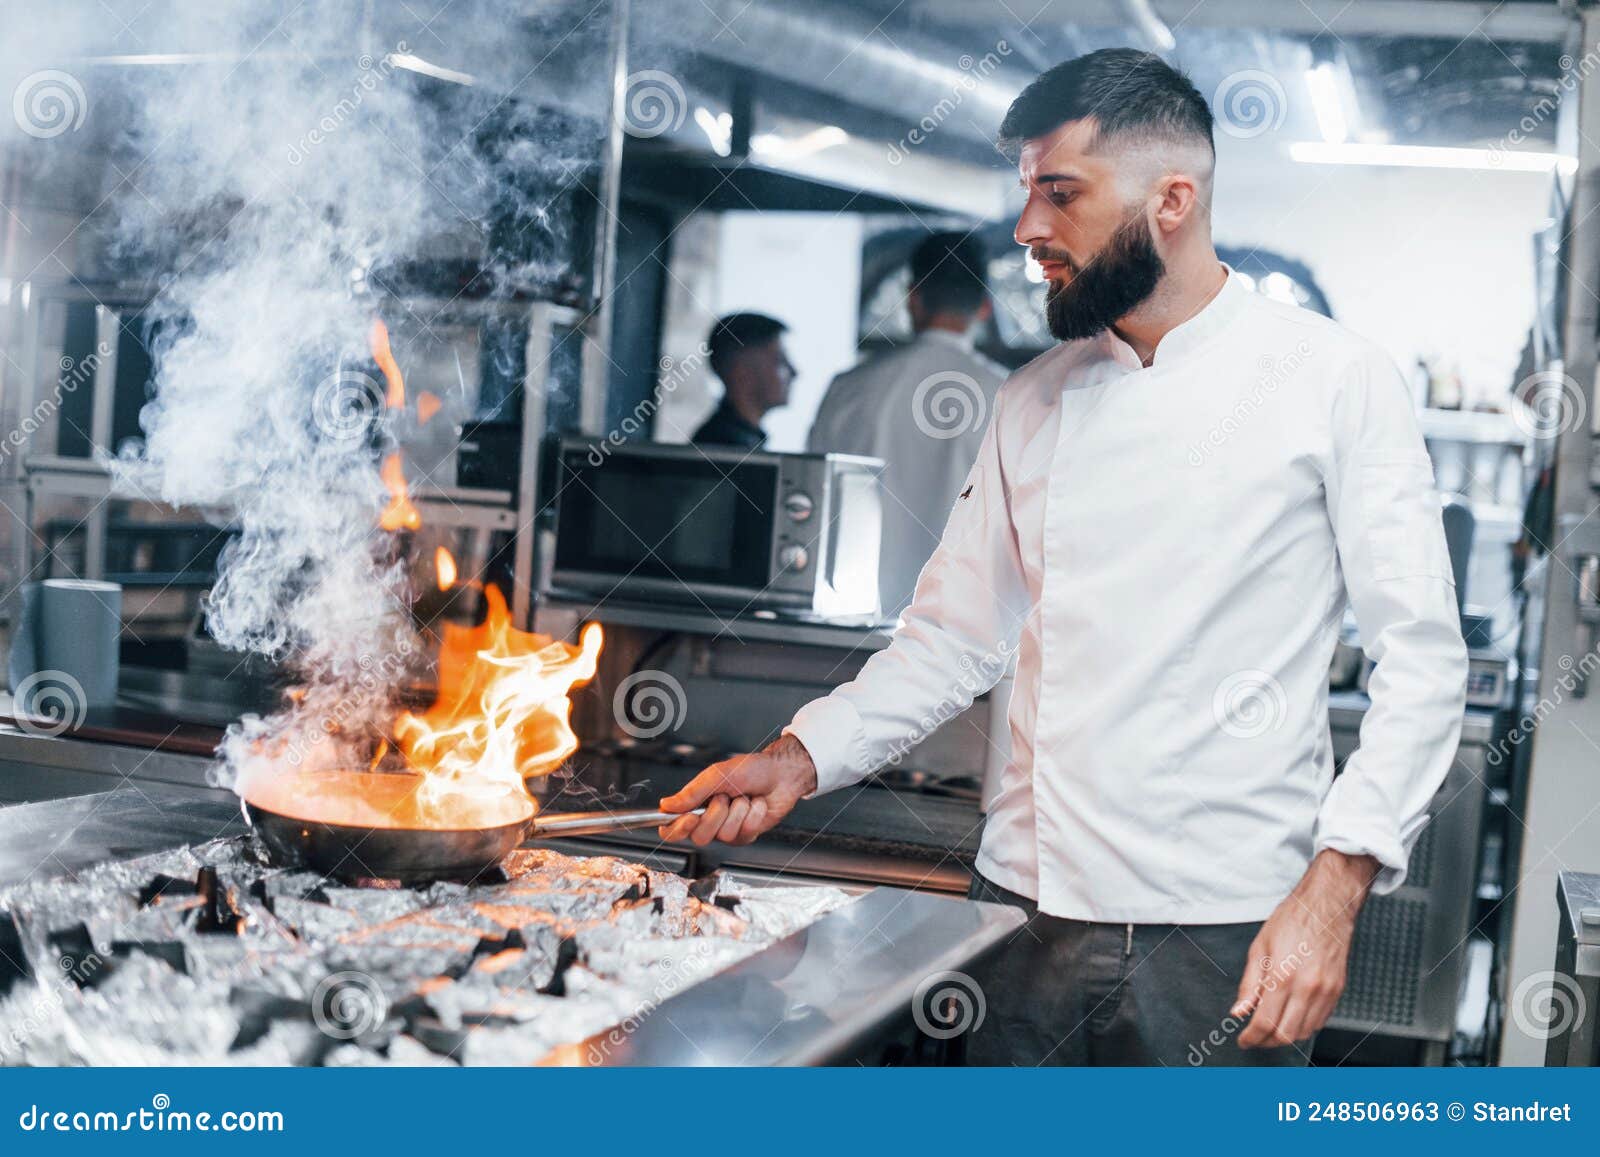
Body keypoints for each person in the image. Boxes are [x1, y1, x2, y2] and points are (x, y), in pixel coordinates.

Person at [657, 49, 1467, 1066]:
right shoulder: (1031, 395)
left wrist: (1336, 884)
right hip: (1021, 912)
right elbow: (952, 637)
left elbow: (1423, 656)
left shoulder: (1334, 380)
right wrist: (800, 753)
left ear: (1171, 199)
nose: (1029, 227)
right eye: (1025, 191)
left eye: (1059, 192)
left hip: (1221, 932)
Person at [808, 232, 1008, 619]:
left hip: (845, 626)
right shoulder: (1010, 398)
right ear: (984, 308)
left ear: (912, 298)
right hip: (961, 631)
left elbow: (812, 505)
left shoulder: (848, 390)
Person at [690, 312, 795, 450]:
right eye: (780, 361)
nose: (794, 372)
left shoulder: (739, 441)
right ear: (742, 372)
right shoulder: (723, 448)